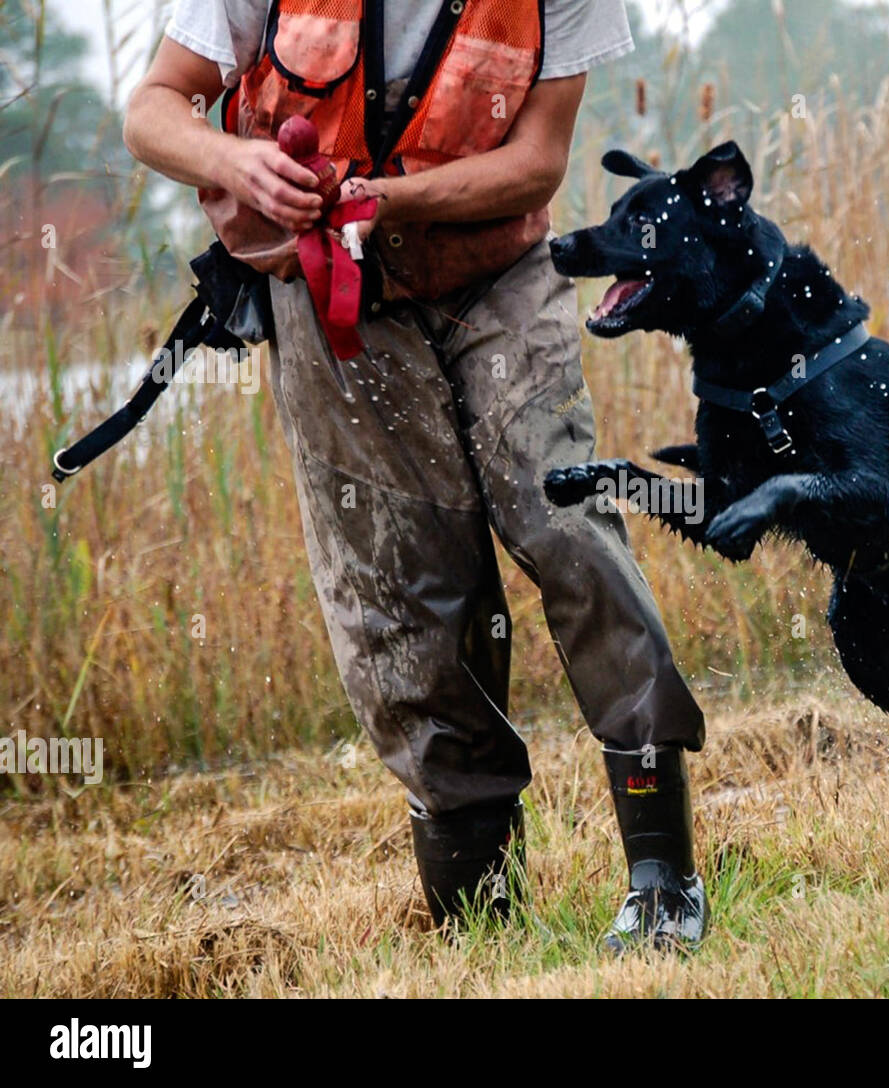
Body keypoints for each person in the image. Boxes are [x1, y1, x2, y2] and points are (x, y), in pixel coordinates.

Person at [123, 0, 708, 952]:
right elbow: (151, 110)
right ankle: (481, 921)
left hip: (501, 278)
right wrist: (237, 163)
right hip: (327, 297)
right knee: (403, 592)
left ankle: (662, 881)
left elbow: (538, 163)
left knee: (569, 529)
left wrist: (384, 201)